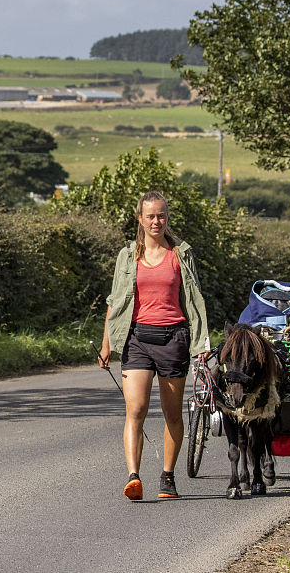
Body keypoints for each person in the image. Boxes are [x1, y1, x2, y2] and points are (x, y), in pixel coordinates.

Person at [97, 190, 209, 501]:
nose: (156, 221)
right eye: (150, 216)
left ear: (166, 217)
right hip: (136, 338)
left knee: (172, 413)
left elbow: (195, 301)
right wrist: (106, 345)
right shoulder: (127, 256)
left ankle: (167, 476)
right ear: (140, 219)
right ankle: (133, 477)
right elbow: (115, 302)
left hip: (174, 338)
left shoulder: (181, 255)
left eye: (161, 215)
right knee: (135, 409)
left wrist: (202, 343)